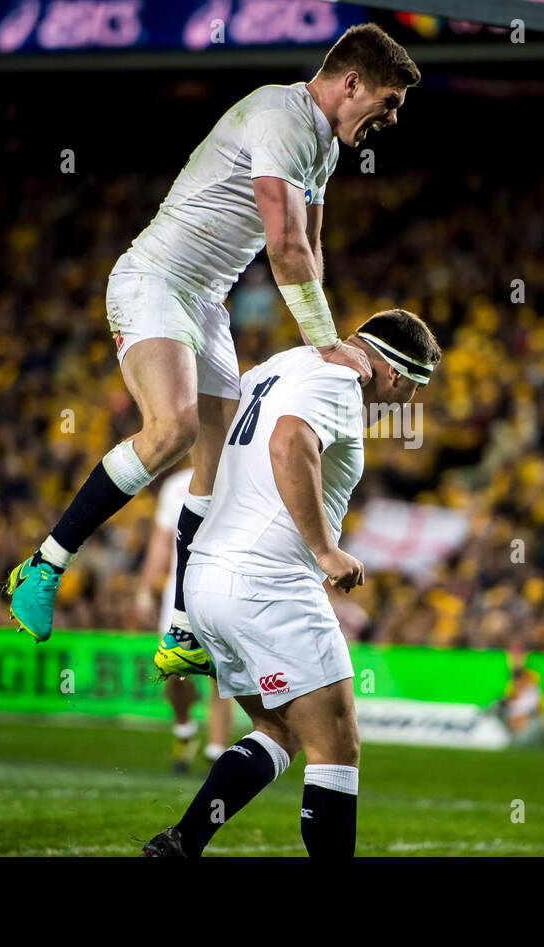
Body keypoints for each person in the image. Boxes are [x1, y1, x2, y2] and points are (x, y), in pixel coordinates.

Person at [4, 25, 421, 684]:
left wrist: (328, 336)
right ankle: (46, 561)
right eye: (390, 100)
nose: (393, 118)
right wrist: (326, 342)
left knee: (217, 462)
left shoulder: (323, 149)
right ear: (351, 83)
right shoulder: (282, 118)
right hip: (156, 281)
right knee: (172, 429)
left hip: (205, 301)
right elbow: (284, 247)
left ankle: (182, 625)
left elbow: (308, 249)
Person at [141, 309, 442, 857]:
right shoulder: (342, 384)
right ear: (398, 376)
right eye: (414, 391)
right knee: (337, 745)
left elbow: (218, 440)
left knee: (278, 729)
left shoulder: (279, 366)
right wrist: (325, 549)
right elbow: (287, 443)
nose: (406, 405)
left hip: (210, 577)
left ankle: (181, 843)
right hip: (268, 583)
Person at [134, 465, 232, 771]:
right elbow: (161, 542)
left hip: (225, 592)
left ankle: (217, 753)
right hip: (179, 597)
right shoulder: (176, 486)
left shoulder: (239, 474)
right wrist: (146, 588)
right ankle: (185, 730)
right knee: (173, 669)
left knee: (220, 676)